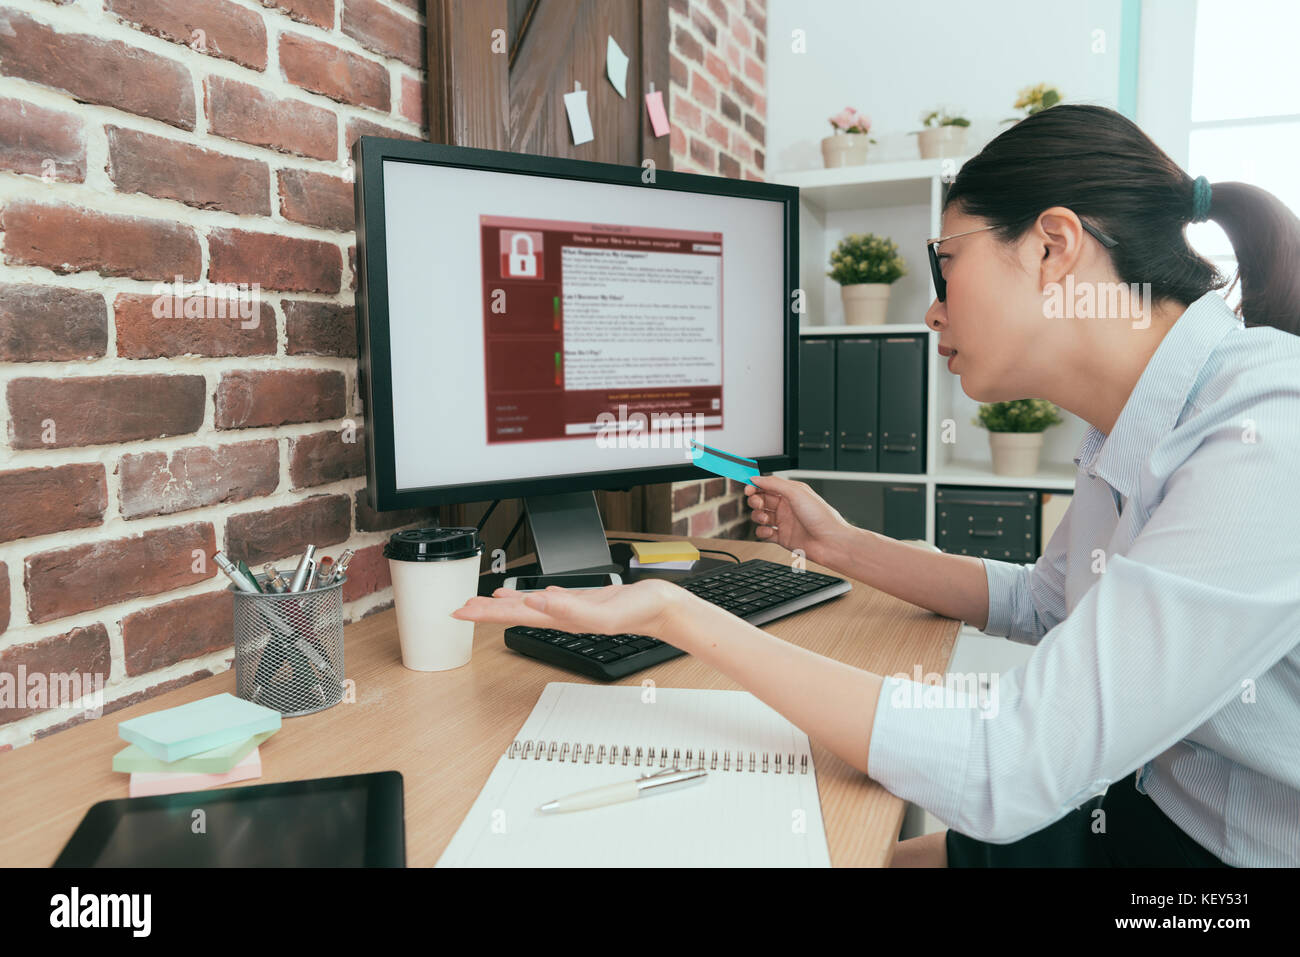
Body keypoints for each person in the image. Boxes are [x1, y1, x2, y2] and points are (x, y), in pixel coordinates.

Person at [452, 104, 1300, 867]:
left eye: (946, 264)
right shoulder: (1127, 426)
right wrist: (840, 545)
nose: (933, 310)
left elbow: (1010, 762)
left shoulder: (1265, 431)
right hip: (1147, 811)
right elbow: (1045, 601)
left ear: (1053, 246)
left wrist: (679, 613)